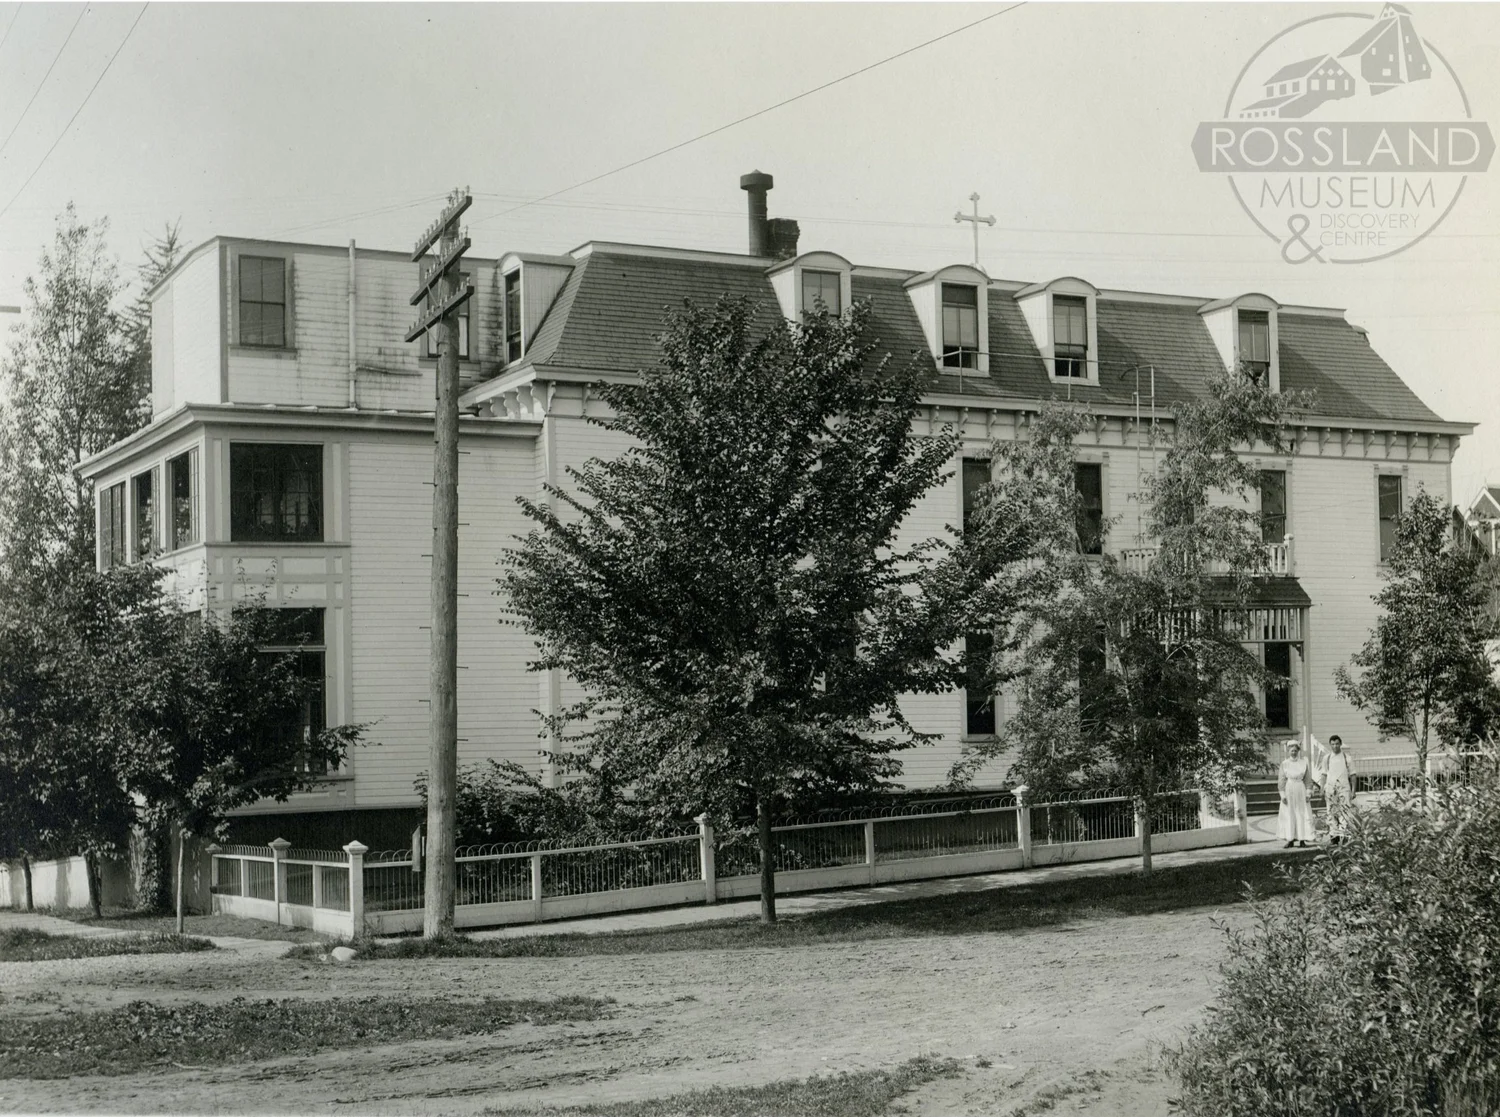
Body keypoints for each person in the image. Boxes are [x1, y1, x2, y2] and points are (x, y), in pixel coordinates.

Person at [1278, 740, 1317, 848]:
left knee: (1302, 814)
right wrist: (1283, 795)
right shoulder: (1284, 764)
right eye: (1291, 751)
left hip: (1300, 789)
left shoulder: (1303, 763)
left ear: (1298, 751)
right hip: (1289, 789)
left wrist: (1308, 793)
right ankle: (1290, 839)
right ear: (1288, 751)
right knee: (1289, 814)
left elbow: (1308, 780)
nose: (1293, 753)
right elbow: (1281, 781)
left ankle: (1302, 840)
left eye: (1295, 751)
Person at [1321, 734, 1353, 845]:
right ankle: (1334, 836)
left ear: (1340, 744)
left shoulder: (1346, 758)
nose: (1335, 746)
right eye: (1333, 744)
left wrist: (1353, 791)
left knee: (1344, 812)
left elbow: (1353, 775)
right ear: (1330, 745)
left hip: (1344, 789)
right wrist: (1322, 788)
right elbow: (1324, 774)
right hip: (1330, 789)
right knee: (1331, 812)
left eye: (1337, 744)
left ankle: (1344, 836)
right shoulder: (1327, 758)